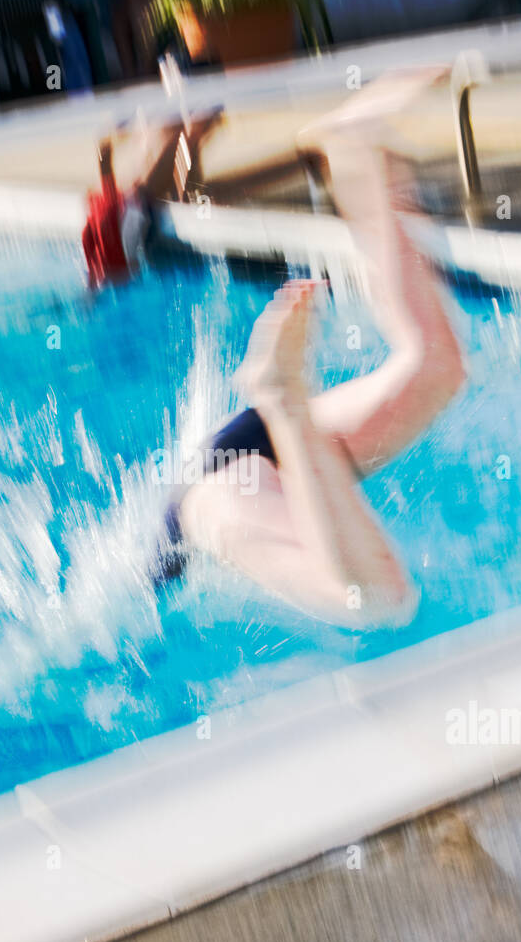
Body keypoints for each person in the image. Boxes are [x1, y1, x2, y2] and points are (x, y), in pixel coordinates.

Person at [151, 66, 467, 629]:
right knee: (375, 598)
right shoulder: (211, 518)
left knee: (380, 600)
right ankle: (283, 398)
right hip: (219, 491)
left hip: (232, 476)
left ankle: (358, 148)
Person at [82, 108, 222, 289]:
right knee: (185, 139)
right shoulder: (106, 256)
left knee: (184, 139)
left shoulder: (109, 264)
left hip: (128, 207)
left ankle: (201, 115)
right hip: (127, 205)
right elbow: (104, 158)